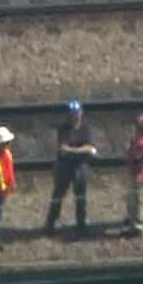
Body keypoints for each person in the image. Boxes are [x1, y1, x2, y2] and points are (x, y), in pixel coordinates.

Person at [45, 100, 96, 236]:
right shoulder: (63, 128)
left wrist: (73, 150)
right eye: (72, 113)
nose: (74, 116)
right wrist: (81, 150)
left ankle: (81, 223)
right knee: (58, 194)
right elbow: (63, 149)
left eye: (76, 113)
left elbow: (90, 148)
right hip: (65, 166)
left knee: (80, 196)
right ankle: (51, 222)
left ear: (81, 113)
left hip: (80, 166)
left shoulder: (85, 128)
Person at [124, 113, 143, 236]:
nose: (136, 127)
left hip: (138, 173)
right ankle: (134, 218)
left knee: (136, 198)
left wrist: (128, 149)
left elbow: (136, 157)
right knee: (135, 197)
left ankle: (137, 225)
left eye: (138, 125)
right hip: (141, 170)